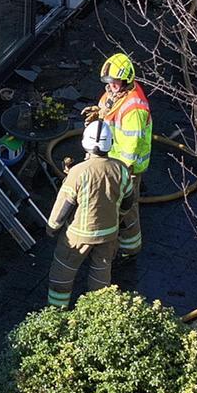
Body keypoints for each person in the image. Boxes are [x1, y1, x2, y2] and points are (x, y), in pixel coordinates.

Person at [88, 52, 153, 289]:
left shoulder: (134, 107)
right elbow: (106, 111)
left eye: (114, 82)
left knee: (127, 207)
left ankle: (130, 248)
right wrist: (97, 115)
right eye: (107, 82)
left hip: (127, 167)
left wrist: (122, 172)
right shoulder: (114, 94)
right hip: (112, 160)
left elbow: (131, 145)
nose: (110, 87)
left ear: (125, 81)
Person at [45, 114, 120, 310]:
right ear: (109, 144)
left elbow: (64, 206)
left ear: (85, 143)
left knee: (62, 273)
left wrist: (52, 227)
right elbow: (128, 203)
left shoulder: (78, 172)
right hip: (109, 234)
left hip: (79, 235)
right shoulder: (120, 170)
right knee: (101, 276)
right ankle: (97, 313)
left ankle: (56, 312)